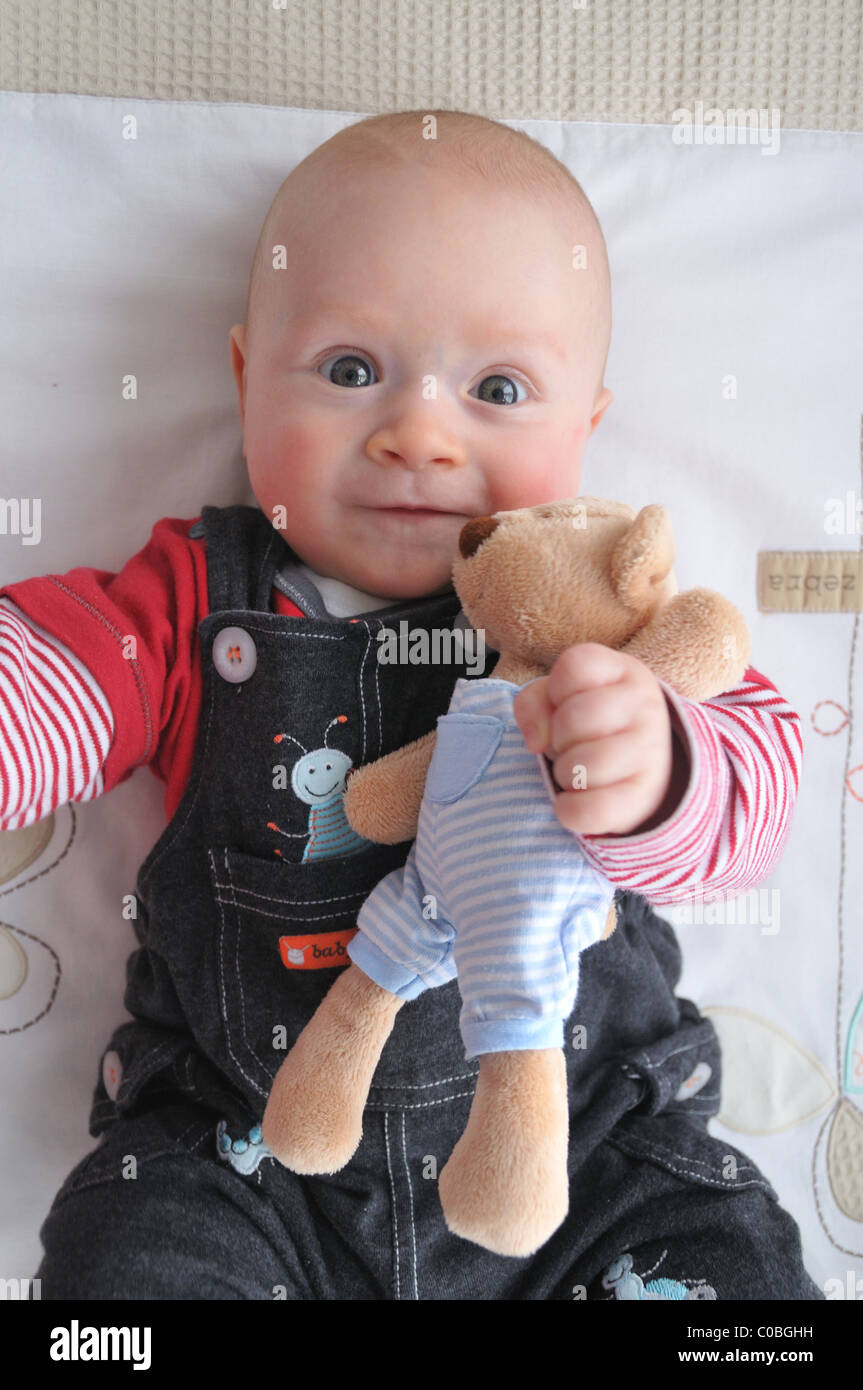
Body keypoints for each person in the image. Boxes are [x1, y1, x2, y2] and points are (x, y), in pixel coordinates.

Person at [1, 108, 821, 1299]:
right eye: (348, 371)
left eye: (496, 387)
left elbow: (763, 786)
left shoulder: (616, 619)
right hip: (245, 1157)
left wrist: (662, 771)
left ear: (583, 424)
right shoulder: (197, 598)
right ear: (245, 381)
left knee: (731, 1286)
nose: (418, 434)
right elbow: (55, 679)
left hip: (590, 1164)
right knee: (127, 1266)